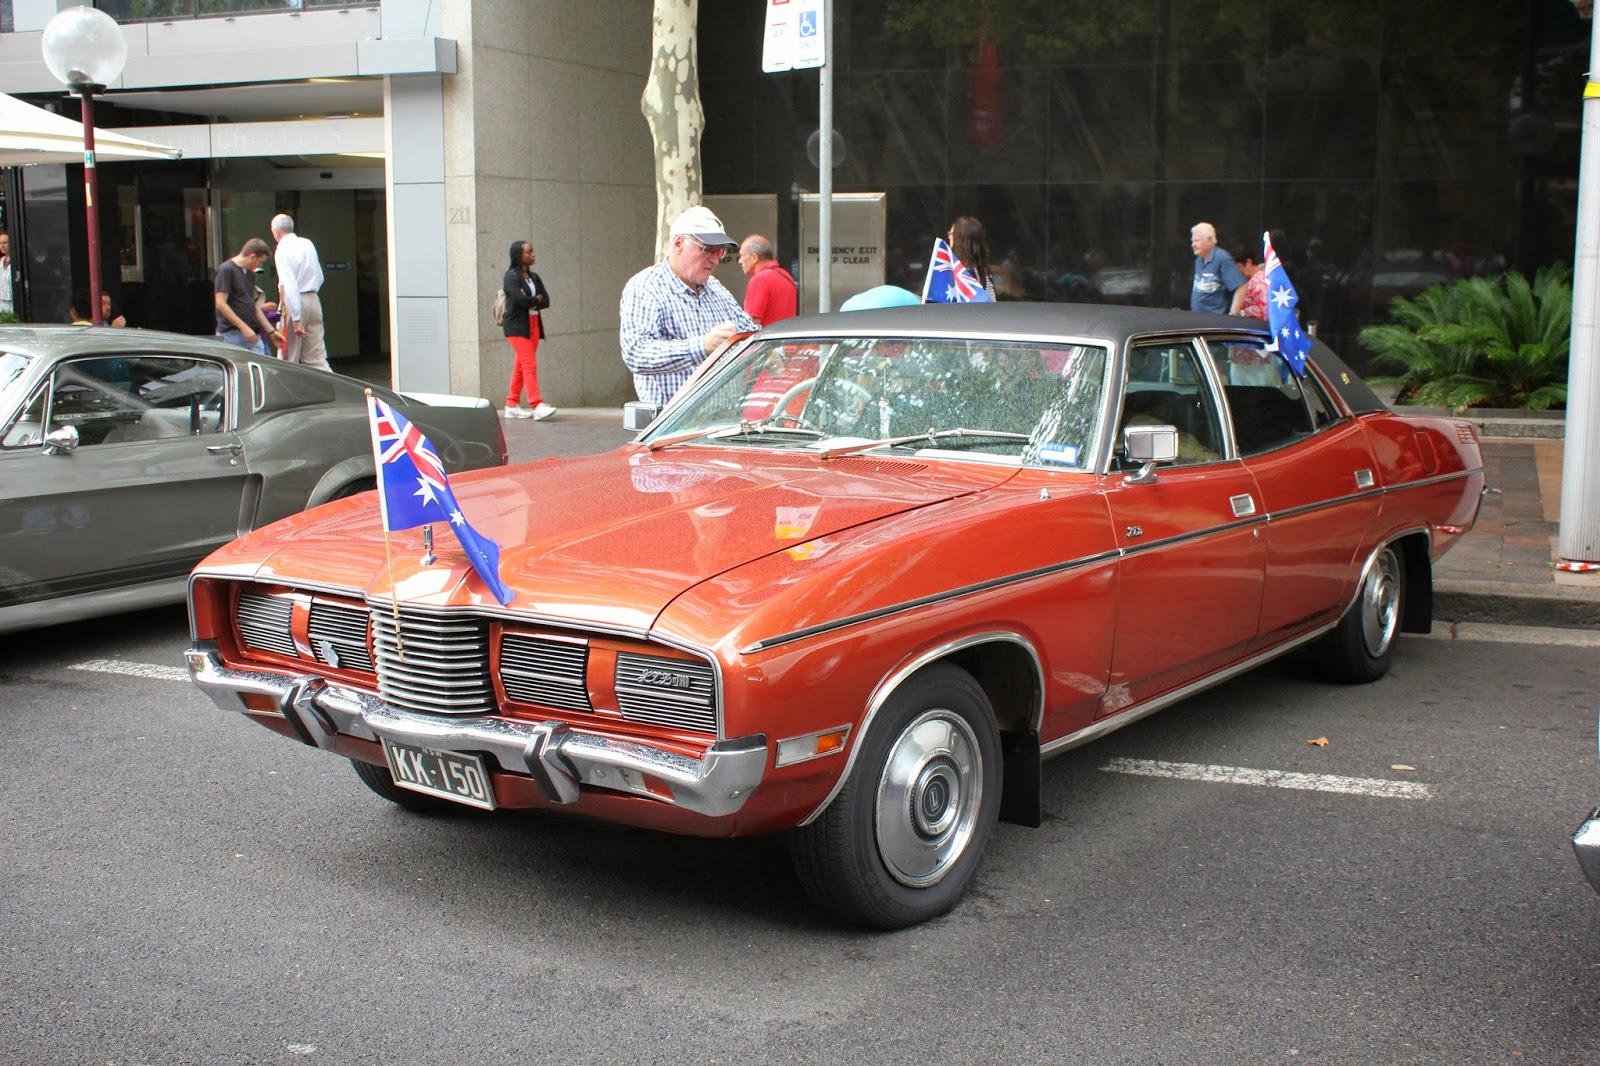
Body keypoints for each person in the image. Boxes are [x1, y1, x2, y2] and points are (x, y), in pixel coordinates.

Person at [619, 204, 755, 408]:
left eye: (720, 251)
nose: (715, 258)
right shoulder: (646, 287)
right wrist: (701, 346)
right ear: (678, 243)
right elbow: (636, 353)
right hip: (671, 427)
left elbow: (750, 330)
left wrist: (772, 353)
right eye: (707, 249)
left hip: (723, 422)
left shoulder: (715, 288)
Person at [501, 239, 556, 420]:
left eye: (532, 251)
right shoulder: (511, 276)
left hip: (533, 325)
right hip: (517, 327)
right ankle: (536, 404)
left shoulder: (534, 277)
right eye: (529, 252)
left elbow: (546, 300)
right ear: (519, 255)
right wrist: (535, 299)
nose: (533, 255)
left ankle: (511, 404)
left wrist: (533, 299)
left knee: (521, 366)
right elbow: (520, 300)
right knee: (529, 365)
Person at [270, 213, 330, 371]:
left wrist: (296, 317)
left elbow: (288, 285)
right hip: (313, 298)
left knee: (288, 356)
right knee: (316, 357)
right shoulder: (307, 243)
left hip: (294, 302)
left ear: (275, 231)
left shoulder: (281, 250)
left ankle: (286, 394)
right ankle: (334, 389)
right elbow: (319, 276)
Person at [214, 238, 277, 354]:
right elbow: (220, 303)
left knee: (259, 367)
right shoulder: (227, 270)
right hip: (232, 333)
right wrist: (243, 327)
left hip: (253, 333)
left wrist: (271, 331)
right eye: (260, 262)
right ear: (252, 257)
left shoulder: (251, 274)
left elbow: (254, 306)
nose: (260, 265)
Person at [736, 234, 797, 326]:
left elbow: (752, 324)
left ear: (754, 258)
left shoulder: (759, 280)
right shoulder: (786, 276)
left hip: (766, 338)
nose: (739, 261)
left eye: (741, 256)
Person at [1189, 221, 1243, 314]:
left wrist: (1233, 314)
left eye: (1197, 241)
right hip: (1198, 318)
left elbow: (1241, 286)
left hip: (1215, 320)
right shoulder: (1198, 260)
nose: (1193, 244)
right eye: (1192, 241)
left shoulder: (1222, 257)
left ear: (1209, 240)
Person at [947, 216, 998, 301]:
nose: (949, 237)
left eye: (951, 234)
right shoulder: (983, 271)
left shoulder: (958, 274)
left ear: (959, 239)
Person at [1228, 245, 1268, 320]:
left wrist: (1242, 313)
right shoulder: (1253, 280)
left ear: (1248, 262)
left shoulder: (1260, 281)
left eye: (1239, 267)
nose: (1237, 272)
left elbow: (1264, 309)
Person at [0, 232, 15, 317]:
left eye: (5, 243)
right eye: (0, 243)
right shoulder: (2, 260)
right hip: (2, 301)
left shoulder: (16, 260)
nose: (2, 246)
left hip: (13, 302)